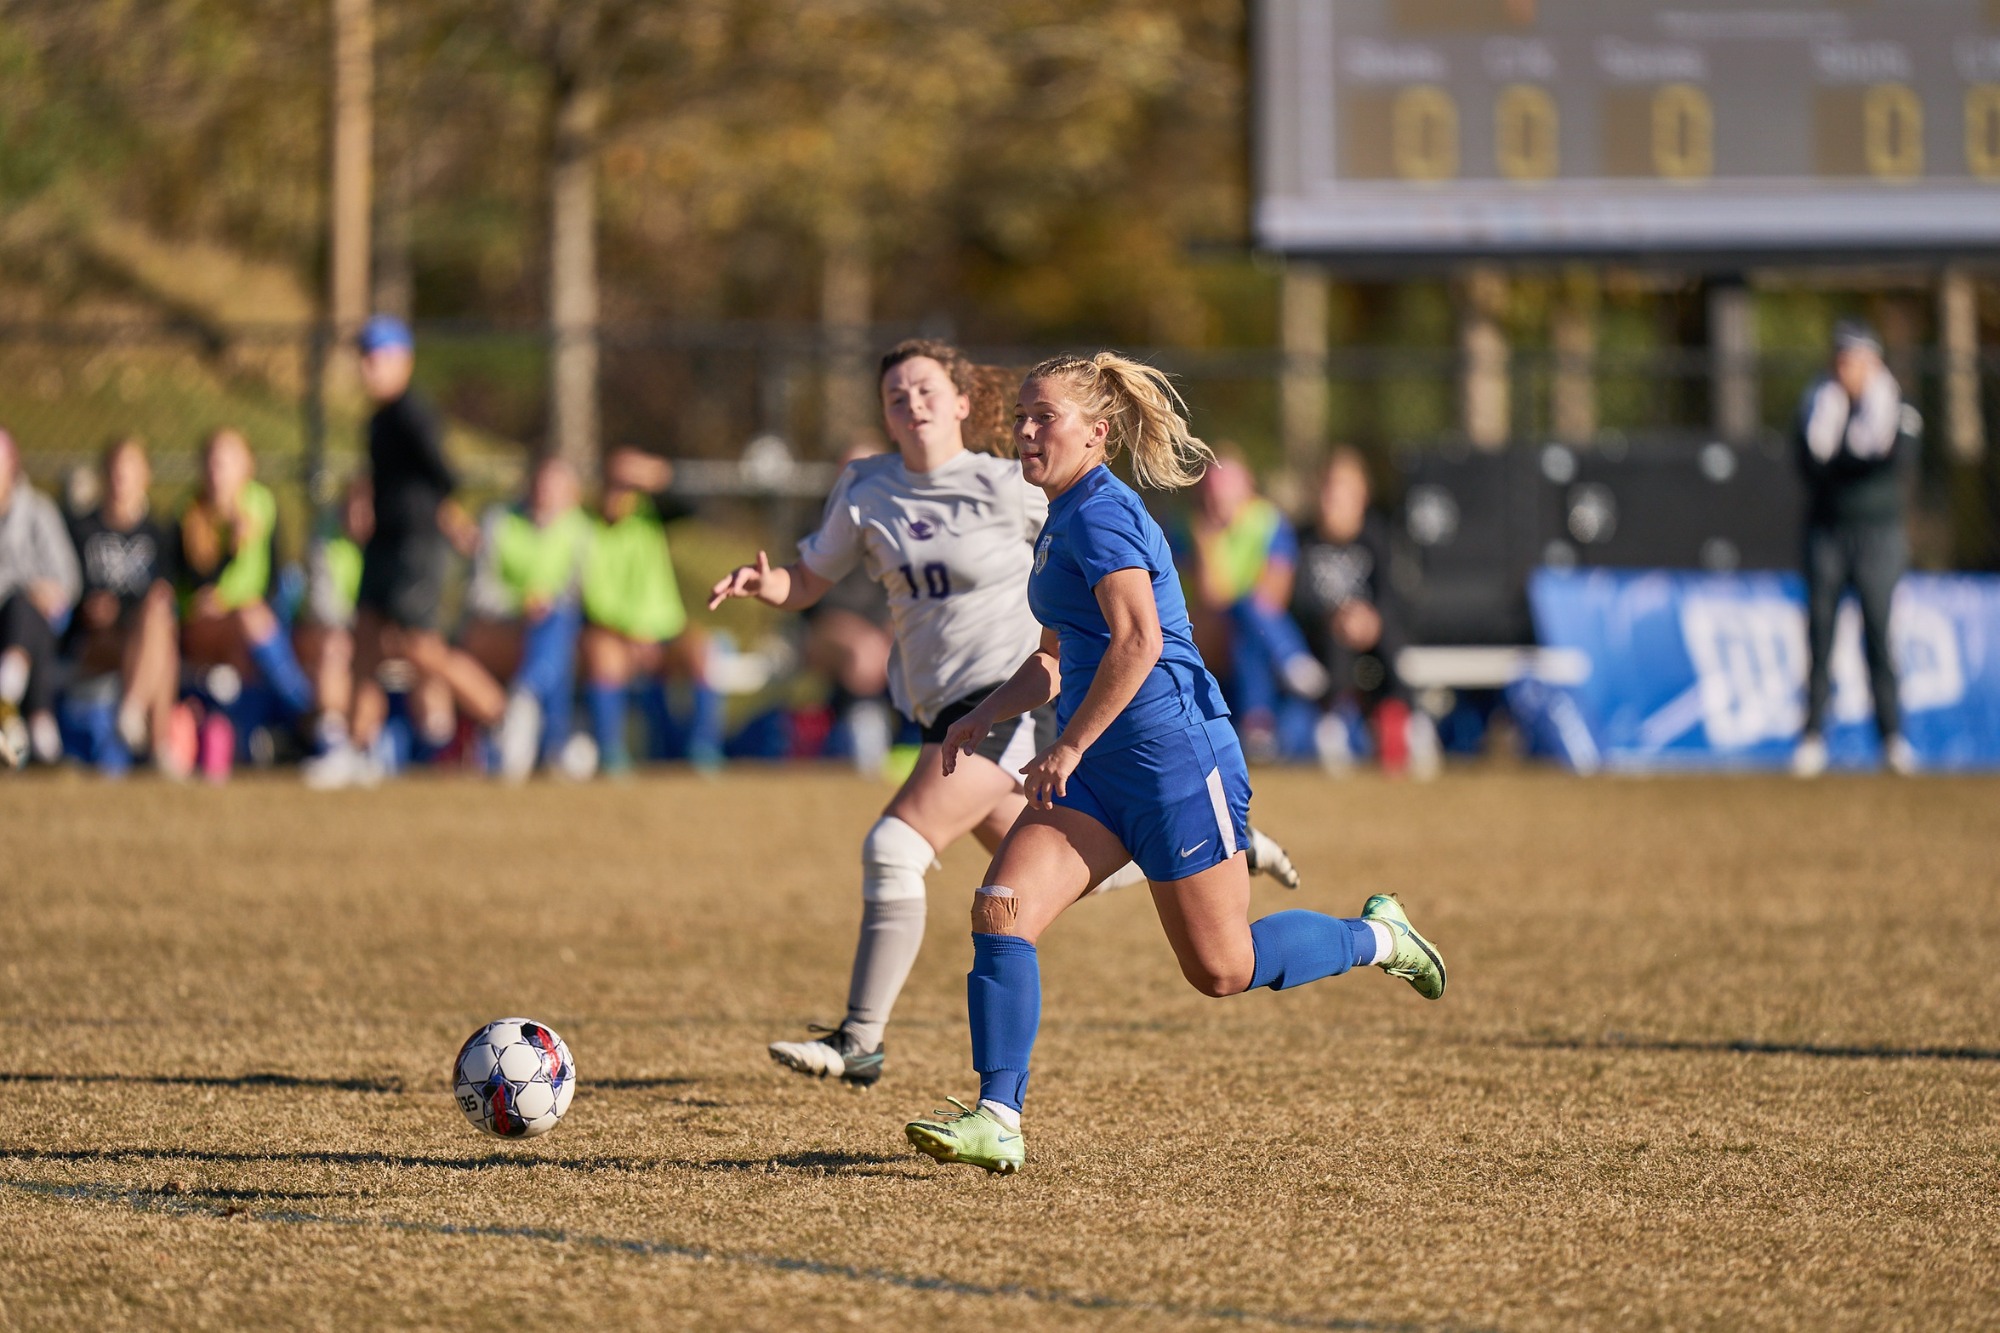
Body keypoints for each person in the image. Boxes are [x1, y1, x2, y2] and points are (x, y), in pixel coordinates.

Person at [902, 354, 1445, 1175]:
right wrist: (983, 714)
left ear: (1098, 432)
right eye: (1020, 416)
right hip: (1096, 772)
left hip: (1174, 762)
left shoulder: (1102, 514)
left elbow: (1139, 642)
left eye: (1044, 416)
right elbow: (1054, 658)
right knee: (1002, 907)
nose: (1024, 431)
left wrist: (1068, 744)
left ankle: (1380, 936)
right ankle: (998, 1116)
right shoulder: (1060, 517)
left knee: (1223, 968)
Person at [710, 339, 1301, 1090]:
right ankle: (1224, 849)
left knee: (898, 849)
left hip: (1085, 727)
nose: (912, 404)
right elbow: (816, 582)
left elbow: (1135, 632)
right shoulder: (880, 489)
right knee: (1032, 889)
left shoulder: (1046, 495)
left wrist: (1063, 739)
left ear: (962, 402)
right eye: (895, 395)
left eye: (926, 389)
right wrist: (772, 586)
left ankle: (862, 1039)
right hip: (972, 714)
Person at [306, 315, 508, 787]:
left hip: (414, 548)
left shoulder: (413, 414)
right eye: (364, 358)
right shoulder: (379, 419)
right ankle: (355, 748)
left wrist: (435, 514)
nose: (367, 368)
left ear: (404, 361)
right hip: (384, 544)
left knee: (418, 647)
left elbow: (444, 475)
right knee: (365, 641)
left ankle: (498, 713)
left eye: (377, 357)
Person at [1792, 320, 1919, 778]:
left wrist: (1843, 464)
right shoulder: (1816, 403)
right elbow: (1807, 464)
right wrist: (1855, 463)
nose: (1846, 368)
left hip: (1879, 537)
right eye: (1841, 359)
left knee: (1879, 635)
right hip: (1827, 534)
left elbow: (1895, 462)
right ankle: (1812, 737)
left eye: (1855, 359)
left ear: (1873, 361)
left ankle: (1891, 738)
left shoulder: (1896, 406)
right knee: (1820, 636)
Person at [1172, 451, 1326, 761]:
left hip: (1250, 630)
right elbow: (1210, 596)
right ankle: (1291, 658)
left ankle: (1258, 723)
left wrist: (1236, 602)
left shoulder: (1269, 522)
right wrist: (1206, 543)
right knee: (1244, 616)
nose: (1219, 502)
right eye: (1212, 493)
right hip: (1209, 635)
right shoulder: (1189, 530)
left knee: (1246, 620)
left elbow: (1273, 598)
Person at [1291, 448, 1434, 777]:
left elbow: (1393, 593)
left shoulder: (1378, 538)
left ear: (1361, 496)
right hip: (1324, 637)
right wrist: (1335, 616)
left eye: (1343, 490)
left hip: (1374, 634)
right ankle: (1333, 723)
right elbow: (1299, 598)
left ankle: (1412, 721)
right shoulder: (1304, 540)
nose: (1333, 499)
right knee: (1337, 640)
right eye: (1328, 488)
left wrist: (1371, 619)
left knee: (1391, 638)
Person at [579, 446, 719, 773]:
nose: (622, 494)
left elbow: (696, 507)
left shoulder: (648, 515)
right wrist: (630, 634)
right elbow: (590, 597)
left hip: (664, 631)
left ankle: (703, 750)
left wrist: (663, 477)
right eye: (616, 483)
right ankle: (611, 753)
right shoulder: (583, 525)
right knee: (604, 658)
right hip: (613, 633)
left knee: (701, 651)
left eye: (630, 485)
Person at [65, 437, 189, 775]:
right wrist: (90, 606)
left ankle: (133, 713)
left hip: (140, 634)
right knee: (161, 647)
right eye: (115, 470)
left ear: (146, 476)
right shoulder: (82, 530)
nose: (121, 478)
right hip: (94, 640)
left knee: (158, 624)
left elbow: (162, 594)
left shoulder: (158, 534)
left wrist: (121, 609)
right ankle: (157, 747)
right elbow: (75, 594)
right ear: (103, 475)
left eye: (129, 469)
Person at [463, 455, 592, 780]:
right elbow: (479, 591)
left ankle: (526, 707)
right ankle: (552, 737)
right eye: (540, 484)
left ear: (572, 493)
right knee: (552, 637)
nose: (545, 493)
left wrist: (548, 605)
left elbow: (584, 593)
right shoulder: (498, 521)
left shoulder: (582, 531)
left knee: (555, 626)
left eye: (555, 486)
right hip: (500, 627)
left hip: (557, 629)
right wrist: (521, 604)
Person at [177, 428, 317, 723]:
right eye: (211, 462)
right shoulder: (190, 514)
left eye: (225, 463)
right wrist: (231, 548)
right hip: (203, 626)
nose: (216, 471)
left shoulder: (262, 505)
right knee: (249, 621)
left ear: (246, 467)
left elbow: (274, 576)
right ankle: (305, 708)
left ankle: (248, 732)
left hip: (250, 622)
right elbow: (200, 589)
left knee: (250, 636)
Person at [0, 426, 82, 767]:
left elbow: (69, 580)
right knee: (22, 608)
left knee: (27, 615)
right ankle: (40, 727)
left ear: (13, 466)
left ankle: (7, 696)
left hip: (41, 623)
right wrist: (27, 587)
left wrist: (47, 593)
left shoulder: (39, 511)